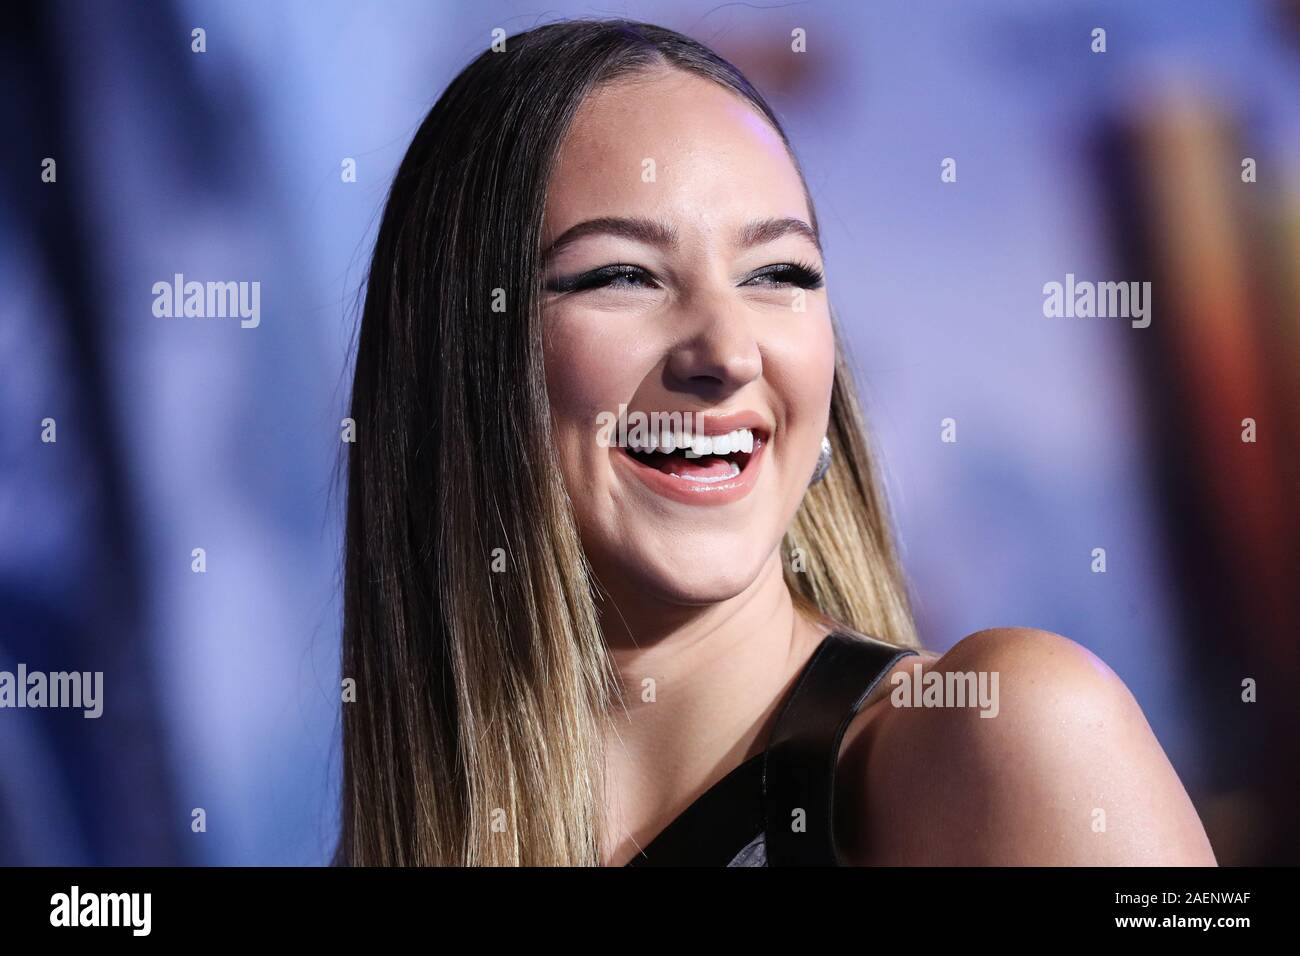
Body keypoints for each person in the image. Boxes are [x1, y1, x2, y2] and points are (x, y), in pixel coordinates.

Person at [334, 19, 1216, 867]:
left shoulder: (1007, 735)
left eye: (778, 275)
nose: (726, 351)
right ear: (461, 361)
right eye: (622, 275)